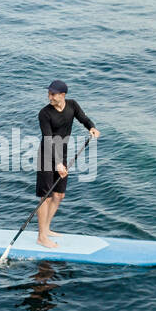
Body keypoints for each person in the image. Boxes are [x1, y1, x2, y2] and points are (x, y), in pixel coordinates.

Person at [35, 80, 99, 248]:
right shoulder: (44, 113)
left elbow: (83, 119)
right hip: (46, 156)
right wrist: (57, 164)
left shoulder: (72, 105)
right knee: (46, 197)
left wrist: (91, 127)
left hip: (62, 155)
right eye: (48, 93)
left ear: (62, 95)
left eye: (53, 94)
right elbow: (48, 140)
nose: (49, 97)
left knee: (59, 195)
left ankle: (47, 229)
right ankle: (41, 236)